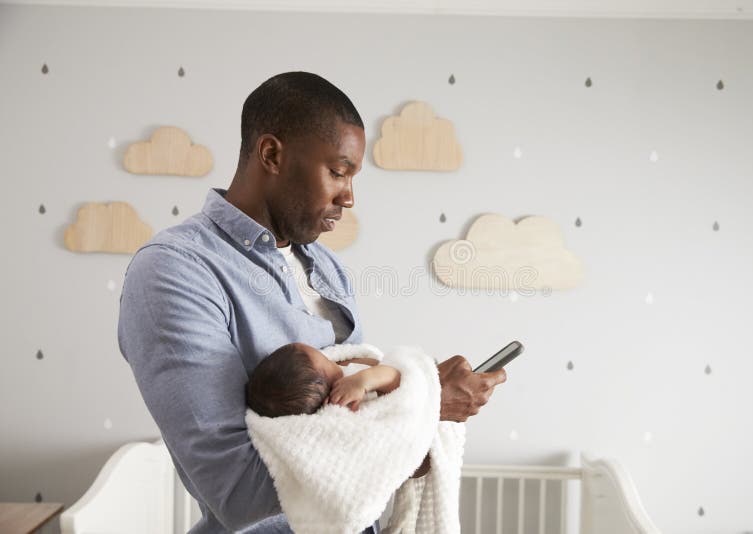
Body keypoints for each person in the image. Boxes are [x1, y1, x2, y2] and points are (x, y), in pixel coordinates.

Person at [117, 71, 507, 534]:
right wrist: (425, 403)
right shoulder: (176, 271)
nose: (350, 195)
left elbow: (372, 439)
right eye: (338, 172)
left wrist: (420, 423)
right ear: (271, 154)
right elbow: (235, 491)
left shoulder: (327, 269)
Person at [246, 342, 399, 416]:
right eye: (326, 360)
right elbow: (397, 379)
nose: (334, 360)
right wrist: (364, 381)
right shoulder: (352, 380)